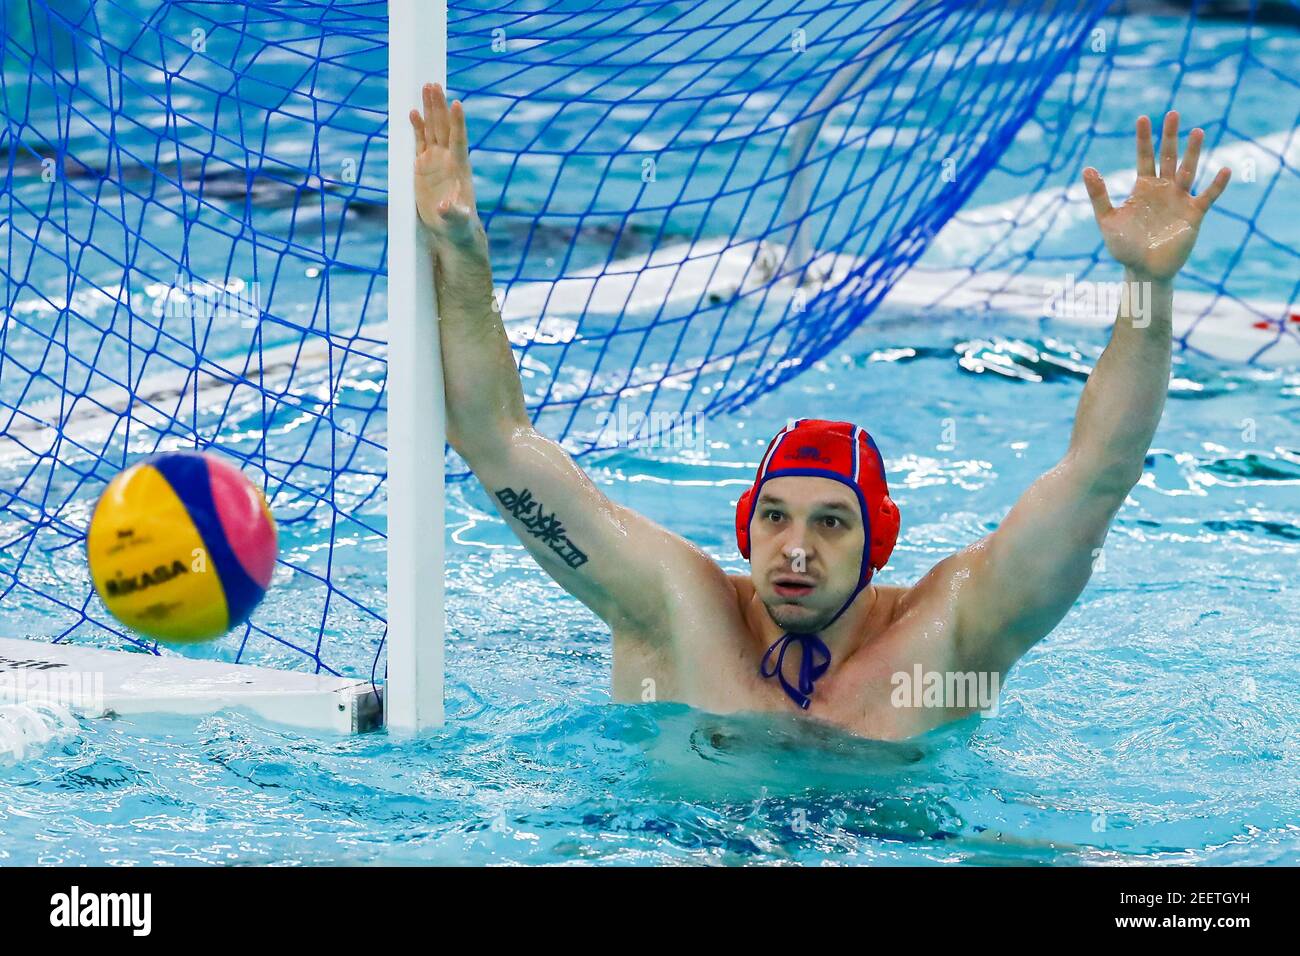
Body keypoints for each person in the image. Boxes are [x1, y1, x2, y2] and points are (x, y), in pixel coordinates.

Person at [409, 85, 1230, 739]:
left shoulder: (951, 633)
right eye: (775, 517)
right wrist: (463, 254)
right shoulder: (671, 609)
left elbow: (1099, 476)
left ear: (881, 538)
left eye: (831, 523)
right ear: (745, 527)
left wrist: (1147, 291)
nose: (795, 549)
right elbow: (497, 442)